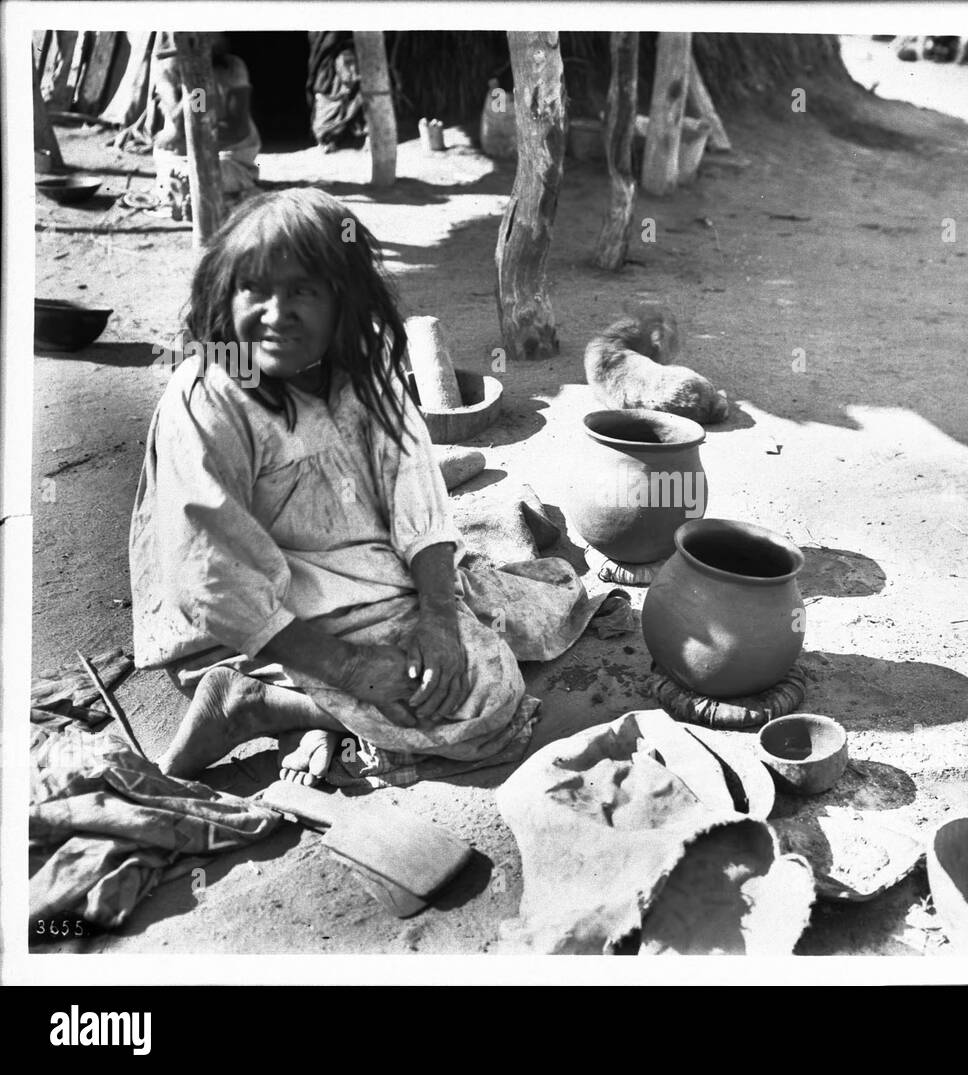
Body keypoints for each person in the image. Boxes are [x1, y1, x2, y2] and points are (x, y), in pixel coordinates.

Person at [131, 188, 613, 787]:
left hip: (375, 581)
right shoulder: (209, 397)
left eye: (303, 291)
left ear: (343, 302)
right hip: (258, 626)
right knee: (475, 714)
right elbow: (211, 580)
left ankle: (301, 713)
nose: (276, 313)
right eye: (254, 289)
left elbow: (415, 490)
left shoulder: (363, 360)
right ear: (224, 296)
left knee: (493, 677)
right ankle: (251, 701)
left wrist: (438, 618)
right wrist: (351, 669)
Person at [151, 33, 262, 213]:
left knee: (216, 171)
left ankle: (193, 193)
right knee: (174, 172)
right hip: (183, 152)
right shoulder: (166, 69)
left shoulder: (233, 68)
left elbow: (236, 129)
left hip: (228, 153)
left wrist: (199, 82)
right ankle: (188, 192)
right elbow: (185, 118)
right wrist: (196, 84)